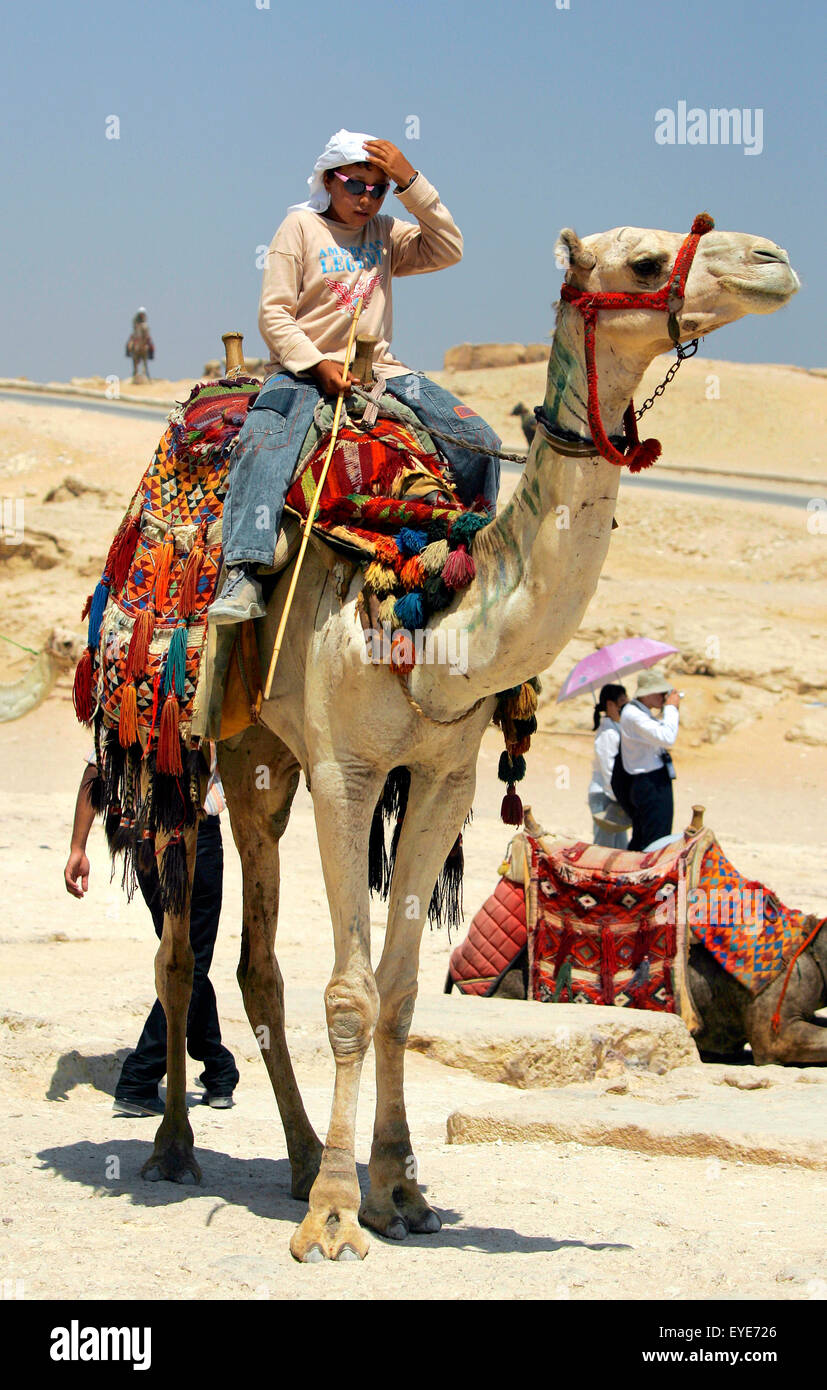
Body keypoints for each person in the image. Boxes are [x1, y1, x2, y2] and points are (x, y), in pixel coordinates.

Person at [210, 128, 502, 625]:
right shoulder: (299, 228)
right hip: (302, 372)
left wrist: (411, 181)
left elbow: (448, 247)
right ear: (329, 180)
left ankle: (476, 549)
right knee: (264, 442)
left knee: (478, 440)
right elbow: (274, 315)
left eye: (378, 189)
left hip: (382, 371)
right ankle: (244, 573)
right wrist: (316, 364)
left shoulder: (385, 233)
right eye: (354, 186)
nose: (366, 199)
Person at [63, 748, 238, 1117]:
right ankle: (139, 1078)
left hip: (141, 835)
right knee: (188, 961)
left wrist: (78, 847)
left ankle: (217, 1065)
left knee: (184, 956)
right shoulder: (214, 707)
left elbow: (96, 768)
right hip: (193, 835)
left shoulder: (131, 707)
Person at [618, 667, 682, 852]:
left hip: (650, 782)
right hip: (650, 785)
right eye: (661, 693)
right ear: (647, 694)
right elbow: (667, 738)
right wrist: (671, 708)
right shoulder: (633, 714)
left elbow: (657, 734)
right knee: (656, 843)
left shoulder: (638, 712)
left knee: (643, 841)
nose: (664, 696)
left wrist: (668, 710)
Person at [587, 683, 630, 848]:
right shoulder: (607, 734)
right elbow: (609, 772)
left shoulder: (617, 728)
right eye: (623, 702)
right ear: (611, 705)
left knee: (620, 849)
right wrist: (621, 798)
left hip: (614, 796)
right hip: (605, 796)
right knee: (603, 849)